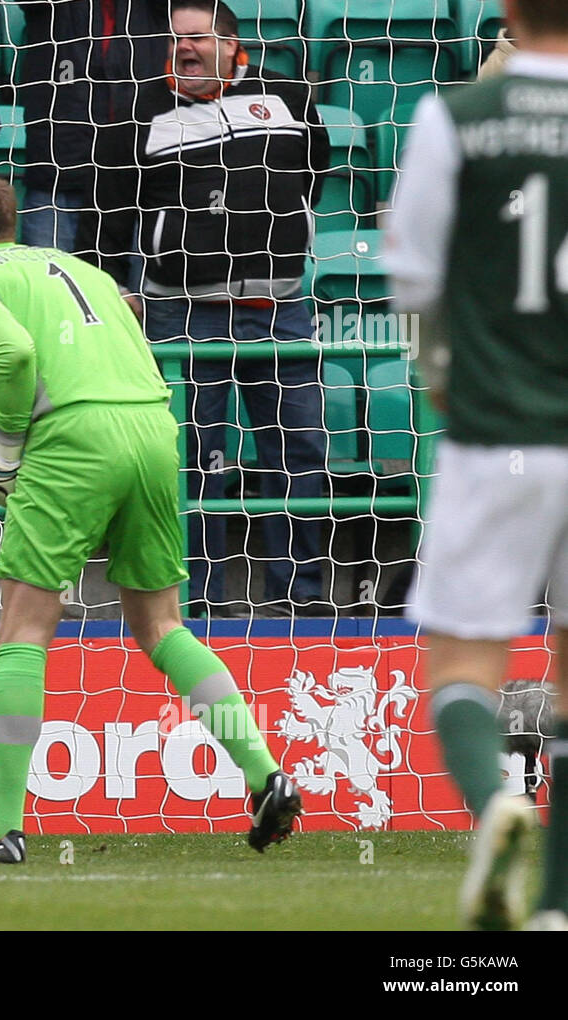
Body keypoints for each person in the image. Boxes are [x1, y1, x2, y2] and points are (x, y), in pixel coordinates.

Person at [0, 171, 300, 864]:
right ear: (12, 222)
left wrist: (7, 453)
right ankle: (265, 775)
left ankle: (4, 828)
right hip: (155, 429)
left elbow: (13, 354)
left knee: (25, 626)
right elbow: (131, 319)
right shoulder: (83, 269)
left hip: (74, 436)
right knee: (161, 624)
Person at [387, 0, 563, 930]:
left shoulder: (456, 118)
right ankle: (559, 907)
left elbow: (411, 280)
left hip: (498, 433)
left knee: (461, 657)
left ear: (503, 12)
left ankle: (494, 804)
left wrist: (448, 383)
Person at [134, 0, 330, 618]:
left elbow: (314, 172)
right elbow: (120, 200)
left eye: (194, 38)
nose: (182, 49)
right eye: (173, 41)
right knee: (193, 459)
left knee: (297, 448)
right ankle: (198, 601)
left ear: (230, 43)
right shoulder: (146, 109)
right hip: (186, 313)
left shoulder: (289, 96)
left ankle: (302, 598)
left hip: (279, 307)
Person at [17, 0, 166, 284]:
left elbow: (205, 14)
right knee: (51, 301)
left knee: (141, 310)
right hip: (60, 178)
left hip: (142, 182)